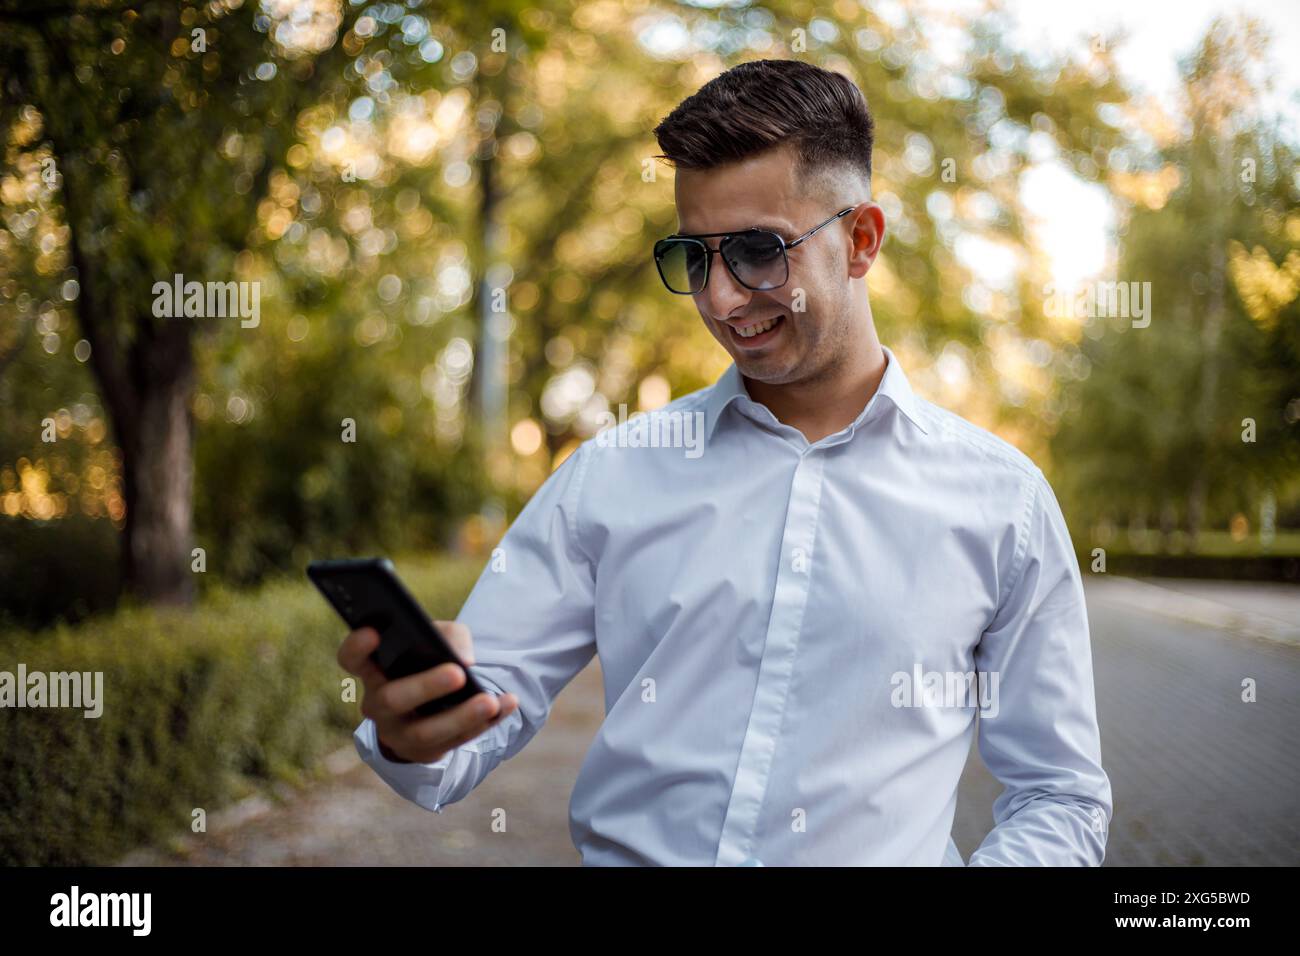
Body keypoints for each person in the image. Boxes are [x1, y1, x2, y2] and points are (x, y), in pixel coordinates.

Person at [337, 58, 1112, 866]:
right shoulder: (612, 476)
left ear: (861, 240)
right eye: (695, 258)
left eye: (756, 250)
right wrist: (414, 725)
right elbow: (467, 717)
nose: (720, 299)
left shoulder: (1002, 504)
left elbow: (1059, 795)